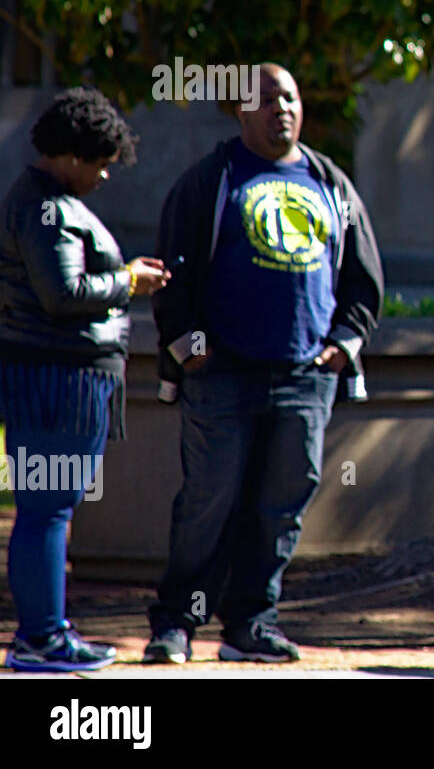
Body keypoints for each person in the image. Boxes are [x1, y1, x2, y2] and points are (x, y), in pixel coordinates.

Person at [143, 64, 383, 664]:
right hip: (221, 374)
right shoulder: (211, 181)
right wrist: (190, 347)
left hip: (305, 375)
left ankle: (250, 624)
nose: (282, 109)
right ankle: (176, 624)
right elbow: (174, 277)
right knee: (209, 503)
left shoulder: (331, 183)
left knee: (280, 508)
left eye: (291, 98)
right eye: (268, 99)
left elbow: (363, 277)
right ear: (240, 112)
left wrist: (345, 340)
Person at [0, 89, 169, 671]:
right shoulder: (46, 208)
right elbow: (63, 295)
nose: (103, 176)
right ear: (70, 155)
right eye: (99, 162)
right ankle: (41, 639)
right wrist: (128, 281)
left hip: (58, 378)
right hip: (56, 379)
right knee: (47, 510)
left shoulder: (46, 203)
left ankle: (46, 632)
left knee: (49, 508)